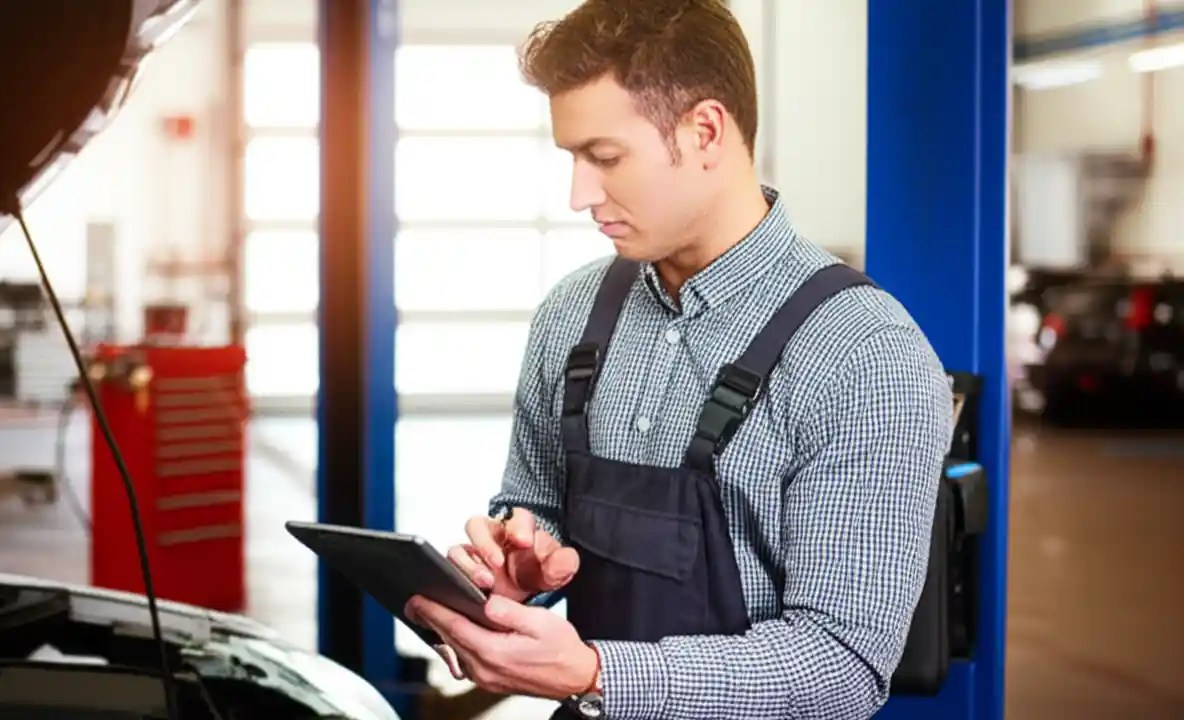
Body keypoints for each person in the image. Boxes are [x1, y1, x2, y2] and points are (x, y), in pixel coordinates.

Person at [404, 1, 954, 718]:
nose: (579, 196)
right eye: (572, 158)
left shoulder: (863, 355)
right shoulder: (571, 316)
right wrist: (522, 569)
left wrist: (598, 674)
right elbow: (534, 503)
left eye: (604, 158)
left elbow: (842, 665)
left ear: (704, 132)